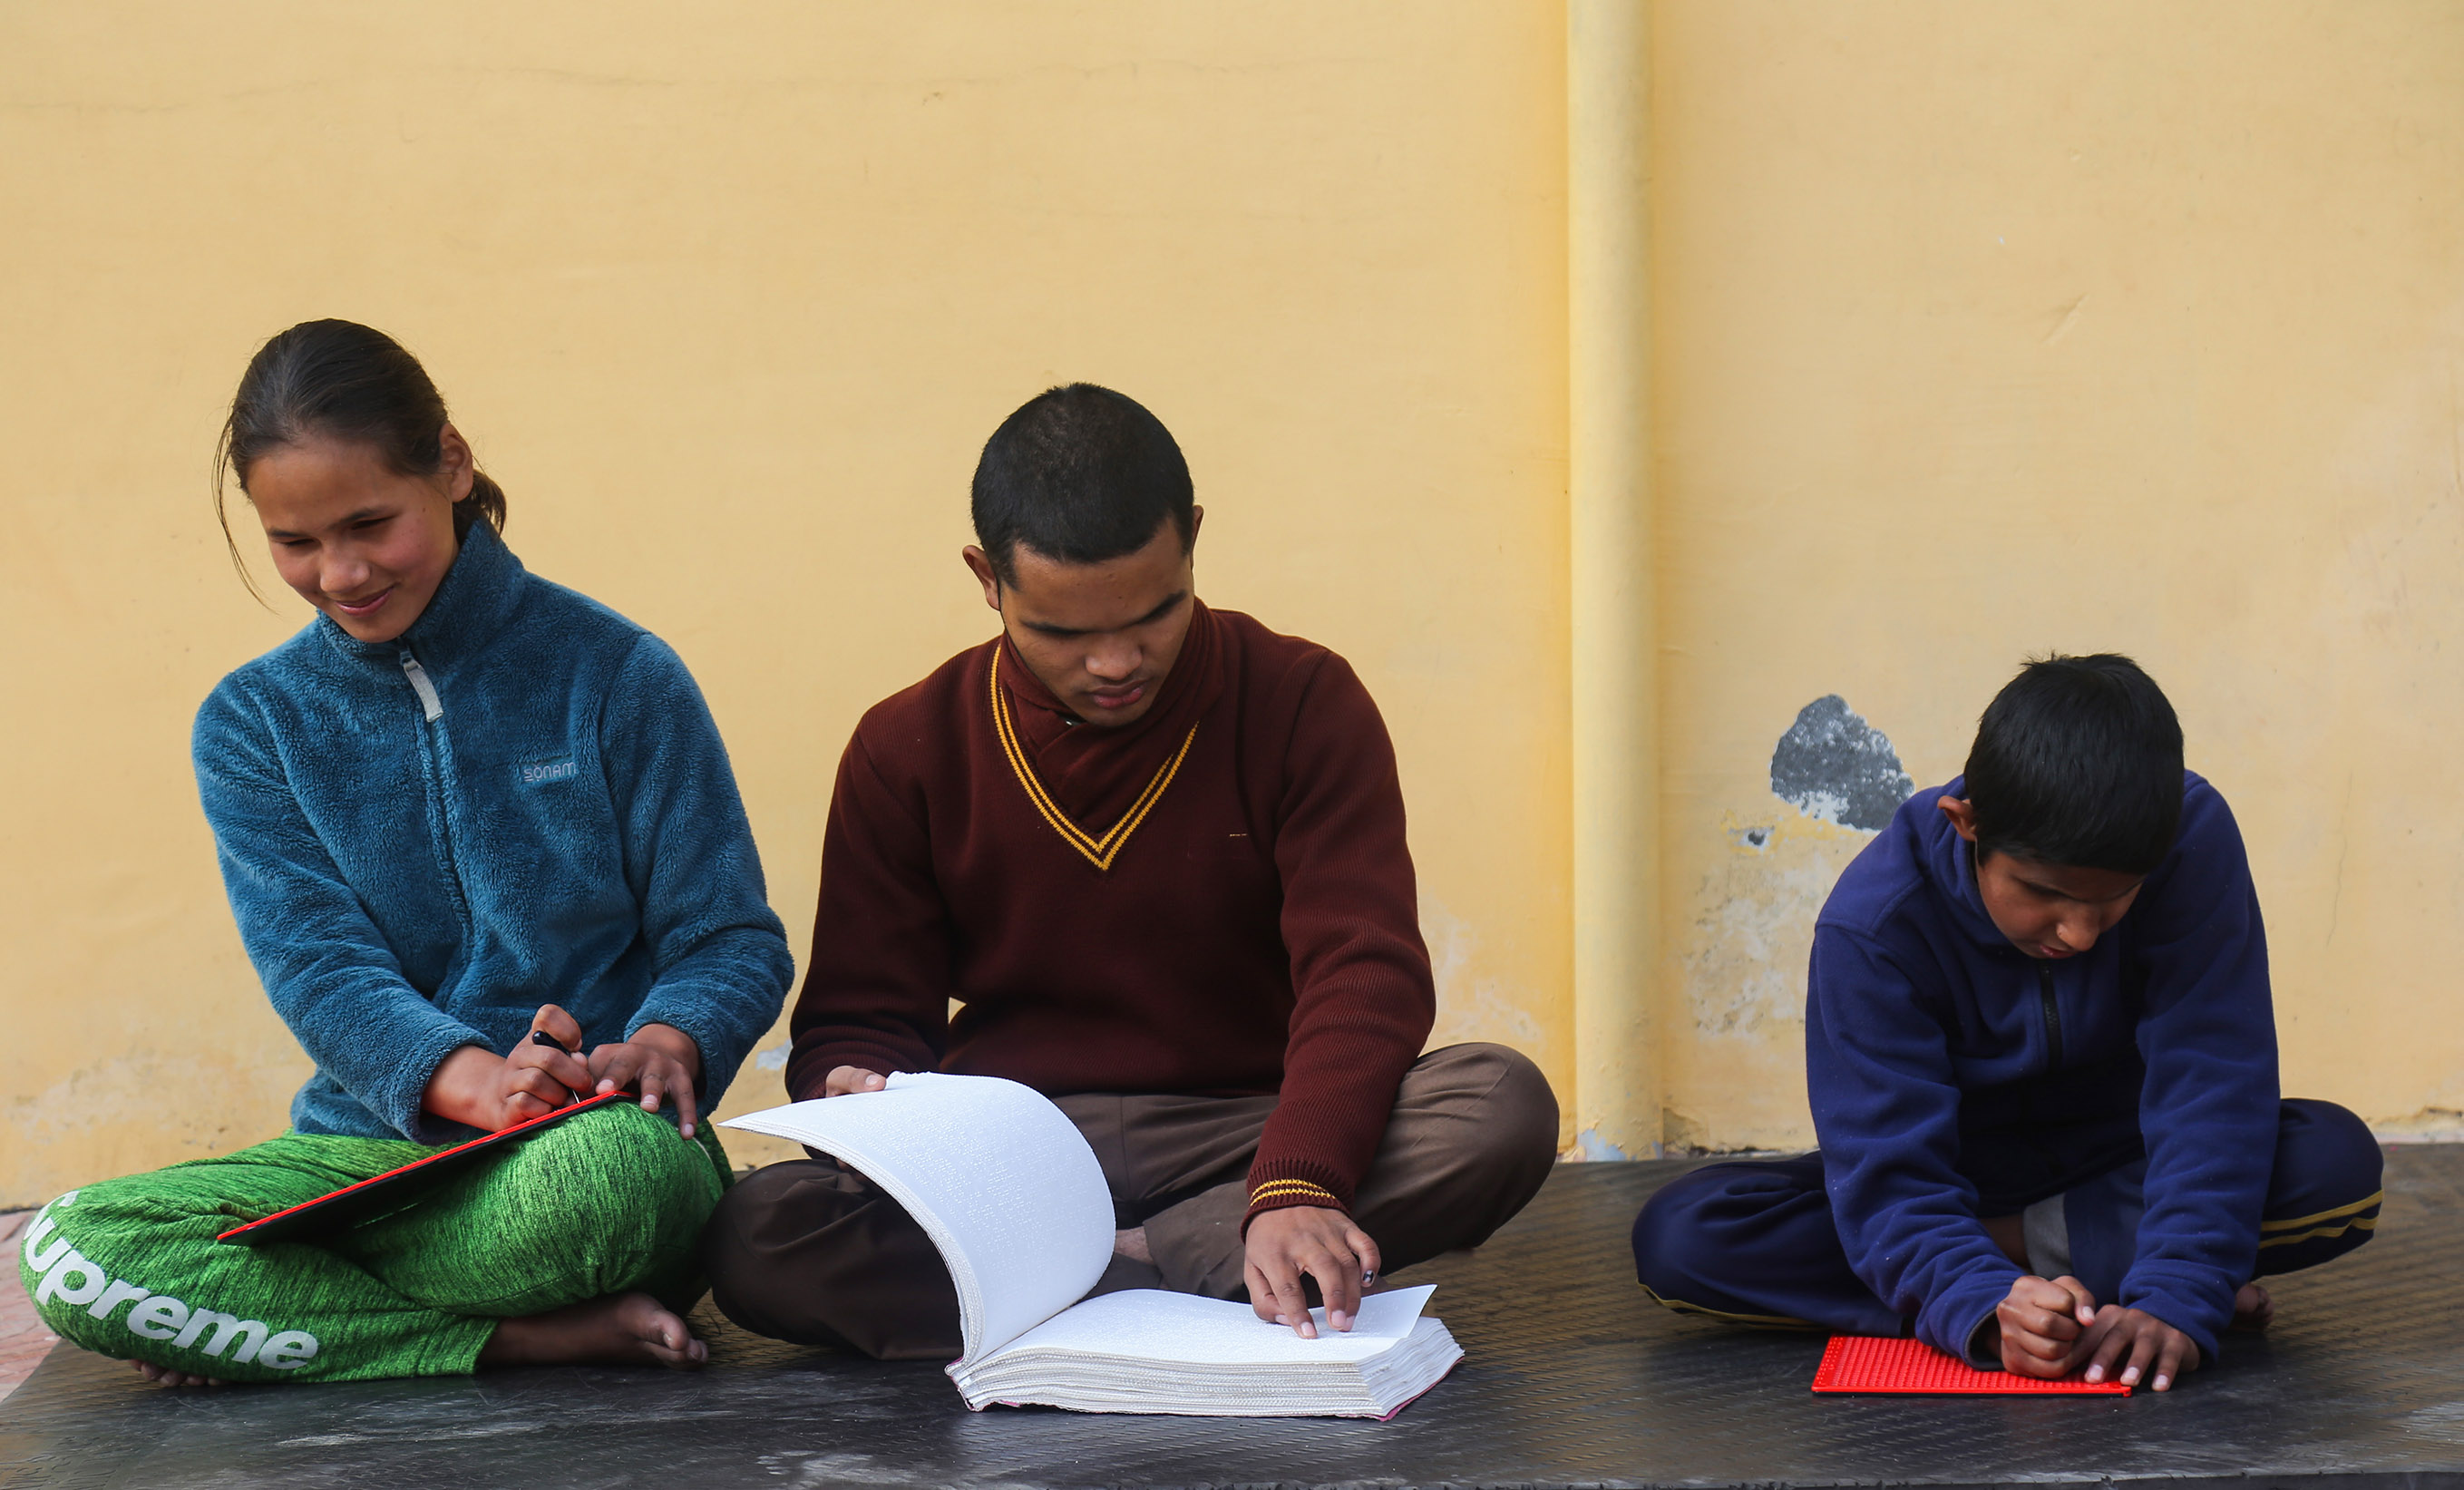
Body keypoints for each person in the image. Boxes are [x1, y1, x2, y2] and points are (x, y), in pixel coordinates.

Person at [700, 384, 1557, 1359]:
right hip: (1016, 1149)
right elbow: (857, 1017)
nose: (1114, 661)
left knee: (1497, 1107)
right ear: (987, 577)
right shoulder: (907, 744)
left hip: (1247, 1129)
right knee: (757, 1231)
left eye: (1154, 614)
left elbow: (1362, 973)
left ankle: (1112, 1272)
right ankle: (1212, 1269)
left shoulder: (1300, 698)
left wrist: (1297, 1182)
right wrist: (852, 1092)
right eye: (1061, 632)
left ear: (1192, 539)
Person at [18, 320, 794, 1385]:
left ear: (453, 462)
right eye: (294, 541)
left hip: (586, 1147)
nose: (339, 572)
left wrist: (665, 1040)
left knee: (618, 1186)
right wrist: (471, 1083)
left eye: (370, 522)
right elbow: (318, 966)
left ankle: (288, 1309)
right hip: (363, 1160)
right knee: (72, 1253)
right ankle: (510, 1334)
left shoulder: (616, 673)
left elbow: (728, 937)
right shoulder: (254, 722)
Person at [1631, 655, 2381, 1393]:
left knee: (2335, 1167)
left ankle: (2056, 1273)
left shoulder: (2191, 841)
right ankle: (2065, 1274)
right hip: (1961, 1175)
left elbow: (2212, 1079)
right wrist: (1987, 1305)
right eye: (2046, 893)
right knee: (1686, 1239)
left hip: (2127, 1158)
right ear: (1965, 825)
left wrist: (2179, 1294)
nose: (2082, 932)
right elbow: (1890, 1171)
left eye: (2115, 898)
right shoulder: (1872, 926)